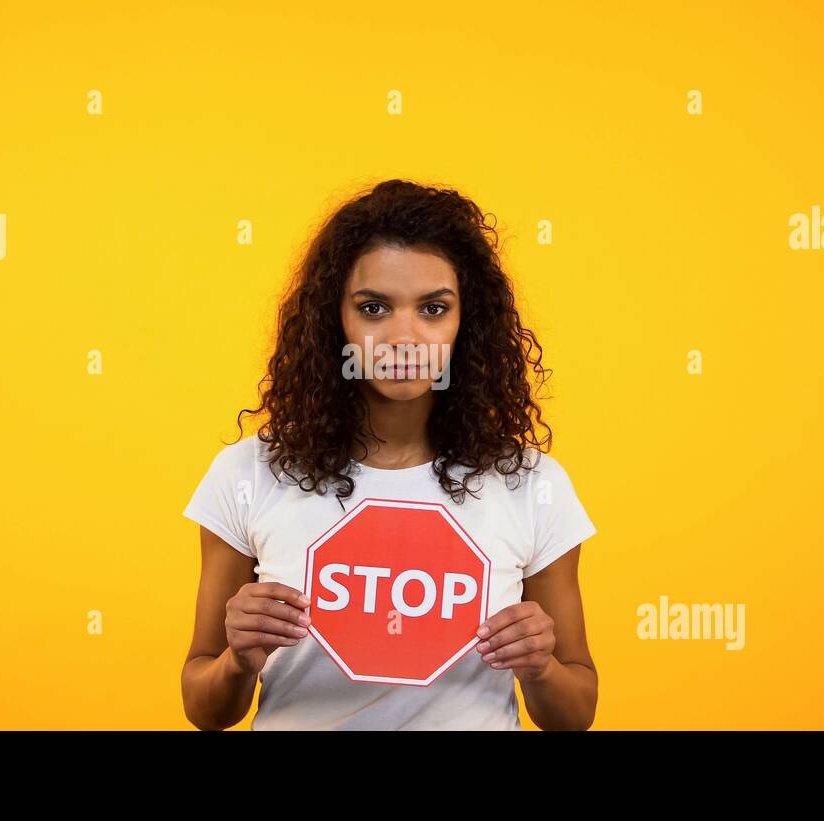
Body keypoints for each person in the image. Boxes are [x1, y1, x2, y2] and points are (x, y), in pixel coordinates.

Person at [180, 179, 598, 730]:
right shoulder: (249, 475)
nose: (405, 337)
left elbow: (576, 712)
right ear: (335, 322)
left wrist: (540, 668)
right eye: (374, 308)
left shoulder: (530, 484)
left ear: (465, 324)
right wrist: (237, 661)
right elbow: (203, 707)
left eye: (433, 309)